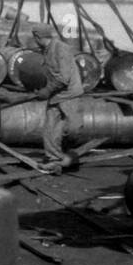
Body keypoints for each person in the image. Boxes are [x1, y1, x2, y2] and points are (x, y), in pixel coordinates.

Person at [36, 30, 85, 170]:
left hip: (69, 95)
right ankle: (54, 158)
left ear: (38, 37)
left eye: (35, 38)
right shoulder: (46, 49)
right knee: (50, 128)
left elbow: (64, 78)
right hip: (56, 95)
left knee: (73, 128)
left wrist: (47, 90)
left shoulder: (61, 49)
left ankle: (64, 154)